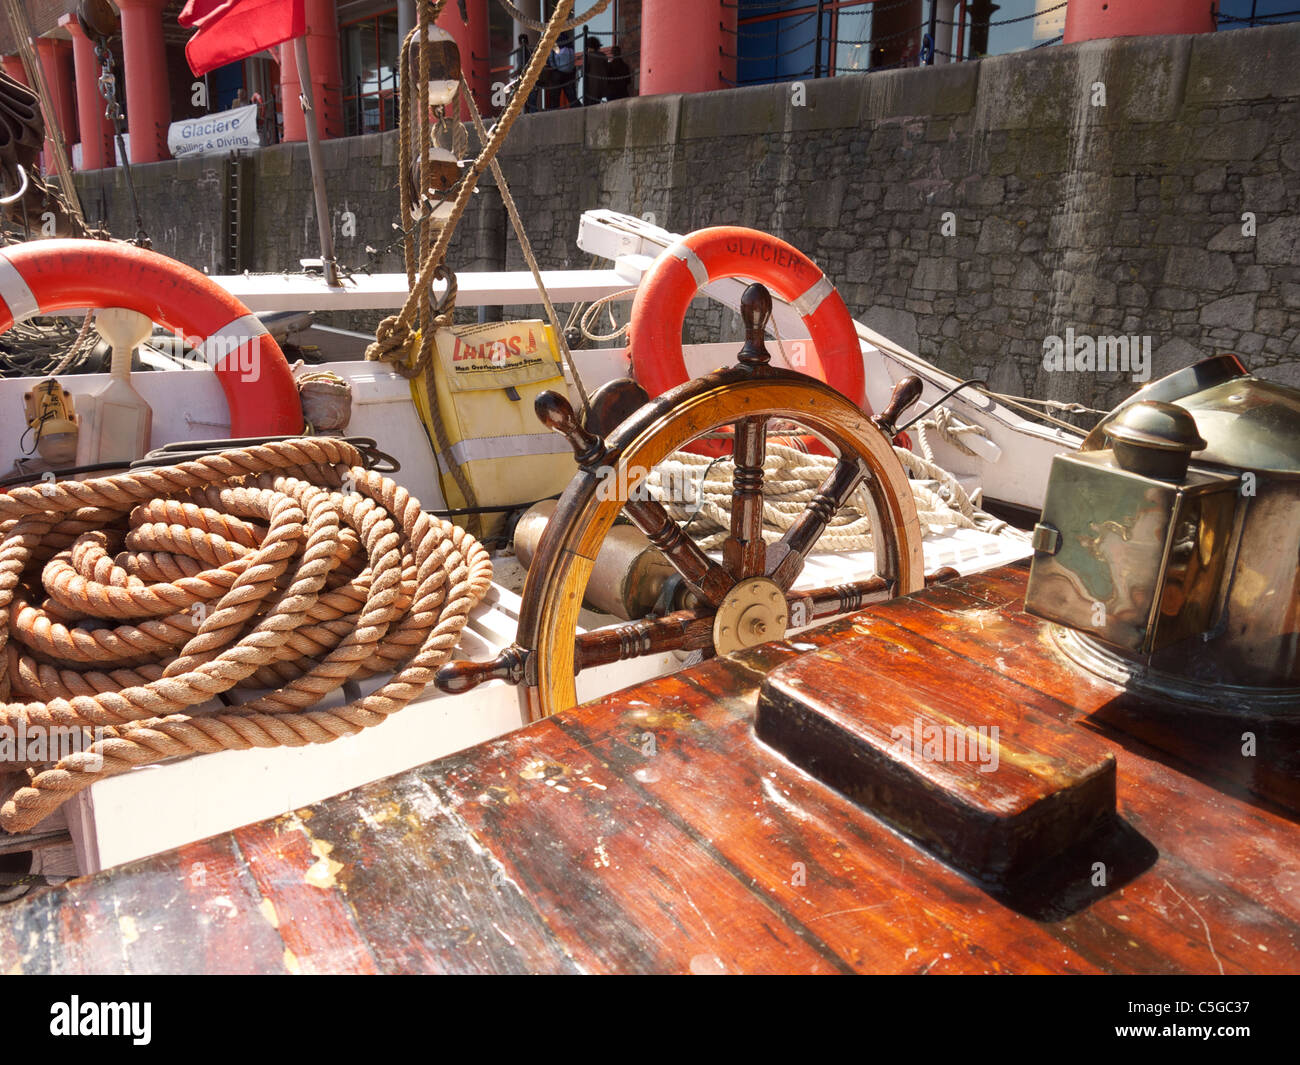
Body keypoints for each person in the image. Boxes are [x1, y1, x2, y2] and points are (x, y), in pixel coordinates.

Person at [548, 30, 577, 108]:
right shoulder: (569, 40)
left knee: (555, 97)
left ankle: (554, 114)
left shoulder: (555, 40)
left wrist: (554, 68)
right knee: (571, 95)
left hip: (559, 71)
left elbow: (551, 56)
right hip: (569, 71)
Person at [582, 35, 606, 106]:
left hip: (591, 87)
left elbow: (585, 70)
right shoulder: (603, 56)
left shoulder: (588, 56)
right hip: (602, 85)